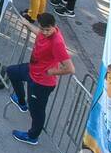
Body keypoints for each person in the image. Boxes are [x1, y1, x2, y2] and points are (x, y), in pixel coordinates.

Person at [7, 13, 75, 145]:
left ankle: (33, 136)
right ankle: (21, 102)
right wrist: (27, 24)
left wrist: (52, 71)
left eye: (47, 30)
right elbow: (38, 31)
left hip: (42, 83)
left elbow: (70, 68)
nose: (44, 32)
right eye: (42, 29)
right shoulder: (43, 32)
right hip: (32, 70)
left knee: (37, 111)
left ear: (54, 26)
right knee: (11, 71)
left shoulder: (57, 43)